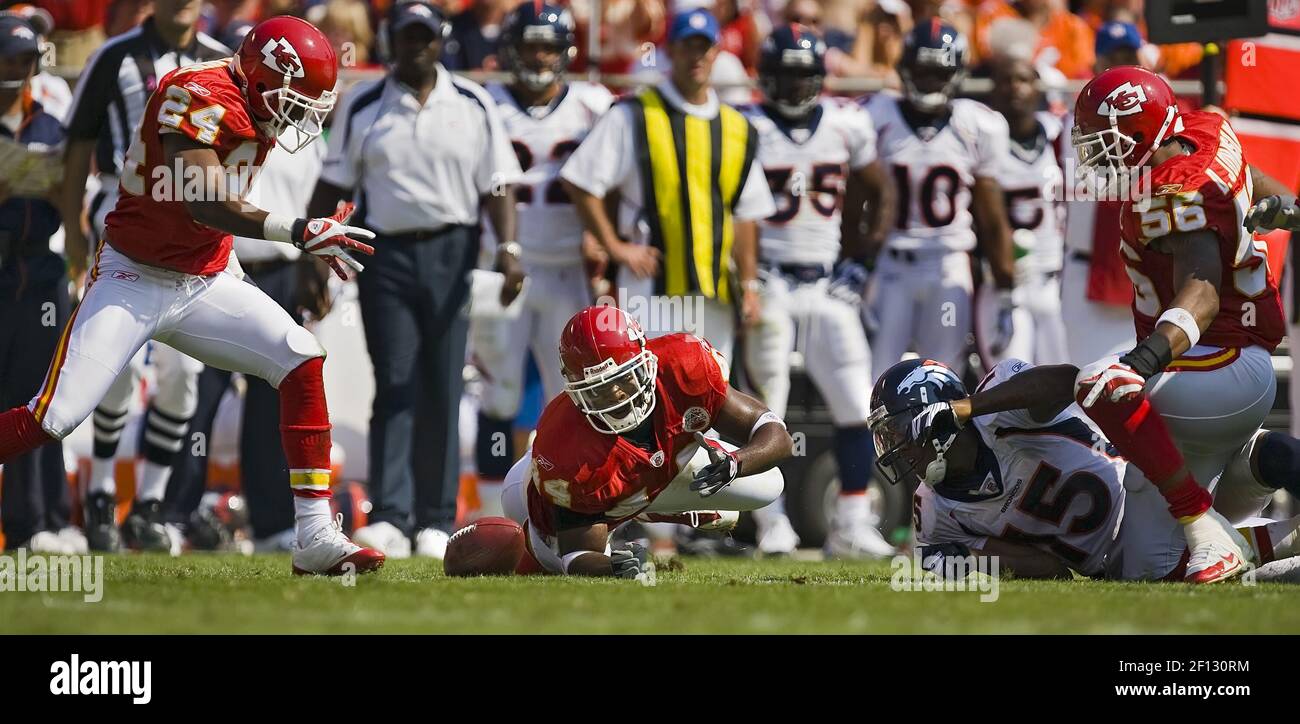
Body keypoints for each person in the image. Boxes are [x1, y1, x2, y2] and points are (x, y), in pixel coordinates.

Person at [0, 16, 385, 576]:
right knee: (51, 417)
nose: (297, 116)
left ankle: (315, 536)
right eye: (292, 98)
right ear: (261, 76)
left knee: (301, 356)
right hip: (133, 276)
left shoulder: (256, 98)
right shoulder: (194, 91)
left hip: (204, 275)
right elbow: (203, 199)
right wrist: (298, 230)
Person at [308, 1, 523, 560]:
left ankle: (435, 516)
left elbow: (497, 186)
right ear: (390, 39)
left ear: (441, 39)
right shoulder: (364, 103)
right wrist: (313, 255)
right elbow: (332, 187)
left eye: (426, 35)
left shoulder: (474, 102)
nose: (417, 45)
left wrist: (508, 248)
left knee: (443, 383)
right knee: (396, 382)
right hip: (387, 252)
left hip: (453, 249)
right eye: (408, 36)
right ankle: (391, 514)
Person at [1070, 66, 1296, 582]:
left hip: (1215, 366)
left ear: (1142, 131)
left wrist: (1141, 363)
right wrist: (1285, 207)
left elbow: (1203, 293)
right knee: (1143, 559)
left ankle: (1202, 525)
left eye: (1105, 143)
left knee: (1098, 385)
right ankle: (1278, 540)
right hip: (1236, 366)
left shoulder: (1171, 194)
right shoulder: (1205, 130)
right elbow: (1249, 176)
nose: (1097, 157)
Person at [869, 357, 1300, 581]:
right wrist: (967, 562)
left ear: (933, 417)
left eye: (898, 432)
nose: (898, 451)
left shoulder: (997, 408)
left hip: (1162, 479)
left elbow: (1067, 381)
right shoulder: (937, 516)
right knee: (1252, 553)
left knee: (1275, 453)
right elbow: (1049, 570)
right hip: (1132, 550)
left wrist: (968, 408)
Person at [59, 0, 231, 553]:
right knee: (119, 364)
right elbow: (78, 145)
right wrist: (74, 228)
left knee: (185, 370)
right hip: (125, 207)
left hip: (196, 219)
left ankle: (150, 504)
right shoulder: (114, 57)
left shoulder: (222, 62)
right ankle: (103, 494)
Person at [740, 24, 894, 558]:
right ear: (765, 76)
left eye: (804, 74)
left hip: (827, 281)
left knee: (857, 401)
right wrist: (746, 273)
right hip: (772, 279)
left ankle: (853, 522)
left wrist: (862, 260)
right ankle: (770, 521)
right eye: (785, 74)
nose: (796, 85)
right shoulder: (748, 126)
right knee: (769, 409)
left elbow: (881, 191)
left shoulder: (846, 125)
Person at [498, 306, 793, 577]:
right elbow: (578, 555)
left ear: (646, 360)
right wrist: (614, 566)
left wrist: (737, 463)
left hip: (653, 472)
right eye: (599, 390)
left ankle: (651, 504)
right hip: (538, 499)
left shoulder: (685, 367)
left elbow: (774, 432)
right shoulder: (568, 448)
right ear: (577, 393)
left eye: (623, 379)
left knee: (768, 483)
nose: (616, 395)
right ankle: (642, 504)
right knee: (547, 563)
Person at [560, 8, 775, 360]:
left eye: (703, 47)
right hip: (651, 289)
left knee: (713, 396)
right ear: (669, 51)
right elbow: (581, 181)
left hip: (715, 289)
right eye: (687, 46)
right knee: (652, 391)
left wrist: (749, 285)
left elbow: (746, 213)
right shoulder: (635, 114)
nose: (696, 56)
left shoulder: (736, 128)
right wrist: (615, 247)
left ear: (717, 52)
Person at [470, 1, 614, 515]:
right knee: (499, 396)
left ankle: (570, 508)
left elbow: (617, 178)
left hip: (567, 271)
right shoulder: (486, 103)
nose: (539, 55)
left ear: (565, 51)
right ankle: (490, 513)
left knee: (573, 397)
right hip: (501, 268)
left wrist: (606, 243)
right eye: (530, 44)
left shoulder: (594, 104)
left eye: (548, 45)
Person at [857, 21, 1015, 375]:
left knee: (944, 373)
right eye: (922, 71)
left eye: (938, 72)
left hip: (947, 264)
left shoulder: (976, 125)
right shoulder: (875, 116)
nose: (929, 80)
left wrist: (1005, 287)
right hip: (890, 266)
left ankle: (936, 433)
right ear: (904, 69)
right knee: (877, 374)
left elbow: (992, 216)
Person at [0, 14, 83, 554]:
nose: (15, 69)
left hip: (41, 271)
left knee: (41, 397)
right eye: (7, 57)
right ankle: (25, 522)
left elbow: (71, 198)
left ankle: (43, 519)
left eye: (22, 59)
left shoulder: (51, 123)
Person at [973, 56, 1067, 366]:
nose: (1015, 87)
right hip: (1003, 283)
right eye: (1006, 80)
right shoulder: (982, 140)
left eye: (1023, 80)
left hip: (1055, 278)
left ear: (1037, 87)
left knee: (1065, 382)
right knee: (1009, 381)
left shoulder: (1058, 134)